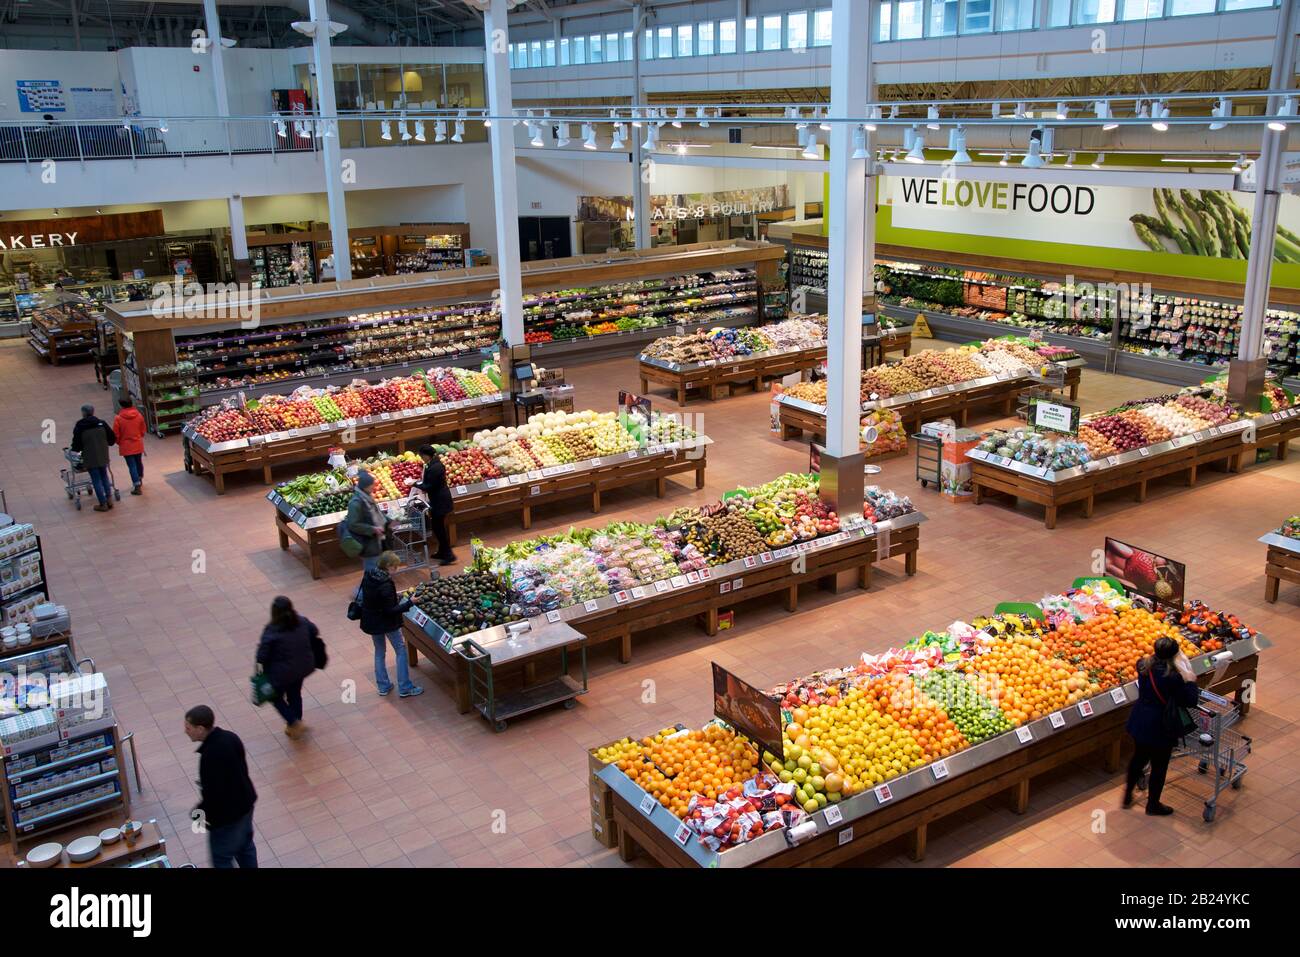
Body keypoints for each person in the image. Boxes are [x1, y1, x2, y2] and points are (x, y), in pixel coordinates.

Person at [1123, 636, 1200, 816]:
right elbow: (1190, 700)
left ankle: (1127, 795)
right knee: (1159, 765)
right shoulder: (1173, 678)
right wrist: (1190, 680)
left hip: (1140, 720)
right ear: (1174, 655)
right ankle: (1153, 805)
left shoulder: (1142, 665)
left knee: (1138, 758)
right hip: (1161, 726)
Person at [184, 705, 258, 868]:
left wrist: (199, 813)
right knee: (245, 847)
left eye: (188, 728)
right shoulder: (231, 737)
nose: (185, 731)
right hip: (246, 803)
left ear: (200, 729)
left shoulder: (210, 755)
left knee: (221, 858)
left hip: (228, 818)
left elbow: (214, 795)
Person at [359, 551, 424, 698]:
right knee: (400, 650)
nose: (396, 570)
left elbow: (374, 598)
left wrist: (393, 597)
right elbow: (390, 611)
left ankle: (383, 686)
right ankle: (405, 687)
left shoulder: (369, 575)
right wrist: (409, 603)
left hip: (372, 621)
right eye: (395, 567)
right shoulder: (386, 584)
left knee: (379, 652)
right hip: (386, 623)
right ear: (388, 566)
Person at [255, 596, 318, 739]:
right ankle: (295, 725)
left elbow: (262, 656)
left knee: (274, 696)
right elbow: (314, 630)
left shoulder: (271, 631)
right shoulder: (302, 621)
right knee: (294, 694)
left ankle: (294, 722)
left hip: (282, 674)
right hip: (302, 666)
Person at [414, 445, 456, 566]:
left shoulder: (435, 467)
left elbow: (429, 486)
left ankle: (449, 555)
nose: (421, 458)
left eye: (422, 456)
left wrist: (415, 484)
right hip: (438, 500)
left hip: (440, 501)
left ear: (427, 455)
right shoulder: (433, 464)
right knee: (438, 527)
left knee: (439, 529)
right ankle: (442, 552)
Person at [70, 403, 116, 512]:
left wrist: (76, 450)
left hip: (90, 457)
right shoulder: (101, 423)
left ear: (83, 413)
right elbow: (112, 438)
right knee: (104, 476)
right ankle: (109, 499)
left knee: (96, 479)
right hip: (103, 454)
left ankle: (102, 504)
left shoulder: (80, 426)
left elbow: (76, 445)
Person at [346, 470, 388, 572]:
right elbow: (353, 524)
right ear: (365, 487)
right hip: (368, 542)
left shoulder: (368, 497)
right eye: (372, 485)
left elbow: (376, 513)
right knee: (371, 570)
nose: (374, 487)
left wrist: (389, 522)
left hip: (376, 540)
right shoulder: (356, 502)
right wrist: (372, 529)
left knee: (377, 569)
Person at [113, 395, 147, 495]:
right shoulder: (139, 415)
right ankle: (140, 478)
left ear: (121, 405)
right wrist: (138, 437)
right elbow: (143, 430)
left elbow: (116, 434)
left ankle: (137, 485)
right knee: (138, 462)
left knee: (131, 465)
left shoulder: (118, 418)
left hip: (126, 446)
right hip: (137, 443)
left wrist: (119, 442)